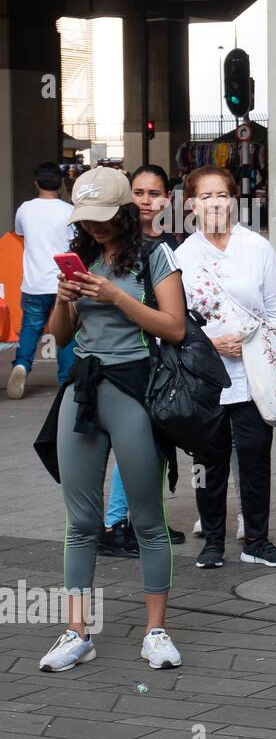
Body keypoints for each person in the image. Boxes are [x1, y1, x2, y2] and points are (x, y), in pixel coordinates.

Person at [36, 166, 187, 674]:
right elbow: (60, 337)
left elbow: (175, 327)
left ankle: (156, 630)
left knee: (147, 518)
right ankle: (76, 633)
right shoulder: (83, 259)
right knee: (80, 523)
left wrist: (117, 296)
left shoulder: (154, 255)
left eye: (104, 217)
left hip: (134, 389)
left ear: (125, 212)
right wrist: (65, 299)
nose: (96, 227)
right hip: (83, 390)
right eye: (88, 218)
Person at [176, 166, 276, 570]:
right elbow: (175, 323)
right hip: (207, 379)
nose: (215, 202)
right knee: (208, 460)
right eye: (205, 195)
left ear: (234, 200)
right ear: (191, 204)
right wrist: (210, 345)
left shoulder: (257, 248)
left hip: (255, 378)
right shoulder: (182, 256)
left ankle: (257, 539)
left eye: (222, 194)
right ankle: (212, 540)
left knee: (254, 456)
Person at [99, 164, 186, 557]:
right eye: (138, 192)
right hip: (128, 361)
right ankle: (117, 522)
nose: (146, 201)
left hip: (165, 359)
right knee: (134, 441)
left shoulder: (171, 245)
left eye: (154, 193)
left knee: (156, 443)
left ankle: (144, 518)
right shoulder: (114, 244)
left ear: (168, 199)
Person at [8, 162, 75, 399]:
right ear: (61, 183)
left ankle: (22, 365)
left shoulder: (25, 209)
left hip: (33, 283)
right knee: (66, 332)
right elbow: (74, 240)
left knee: (30, 327)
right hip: (61, 283)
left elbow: (20, 233)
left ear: (36, 184)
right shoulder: (69, 211)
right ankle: (67, 380)